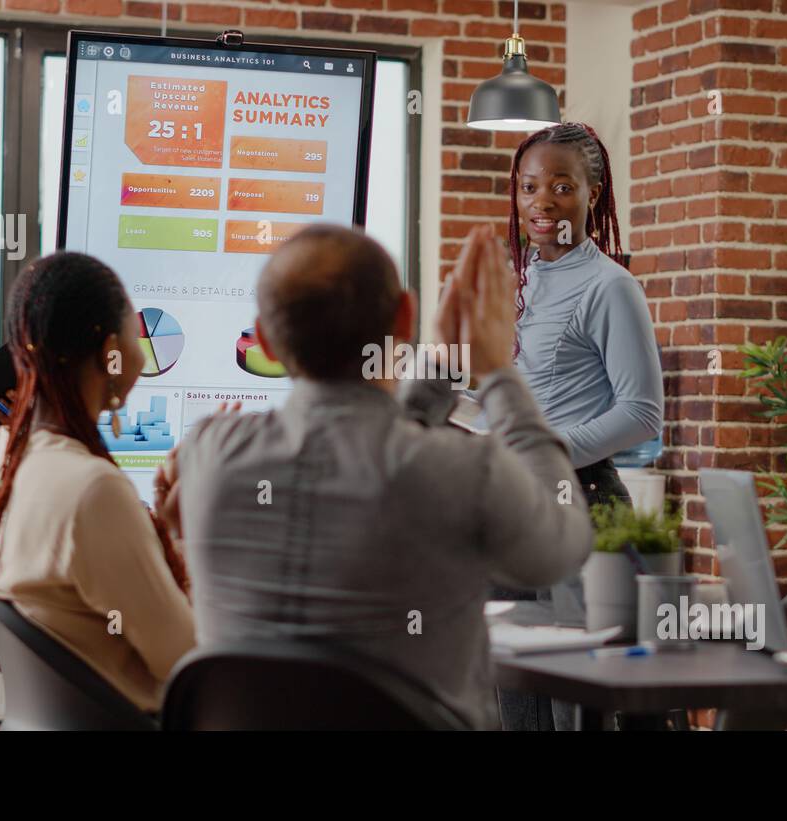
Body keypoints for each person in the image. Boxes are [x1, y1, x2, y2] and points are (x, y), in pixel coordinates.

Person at [155, 224, 592, 730]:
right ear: (405, 319)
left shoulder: (211, 452)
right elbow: (562, 545)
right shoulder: (459, 468)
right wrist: (497, 371)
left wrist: (441, 370)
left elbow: (365, 446)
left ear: (267, 341)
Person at [0, 252, 195, 714]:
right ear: (111, 352)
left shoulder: (7, 459)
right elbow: (185, 661)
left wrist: (168, 530)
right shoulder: (93, 489)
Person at [497, 122, 665, 729]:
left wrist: (542, 447)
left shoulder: (612, 287)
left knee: (580, 704)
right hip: (511, 504)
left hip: (581, 501)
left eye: (561, 186)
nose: (541, 202)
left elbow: (642, 413)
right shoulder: (518, 280)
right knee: (513, 688)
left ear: (593, 193)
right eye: (529, 186)